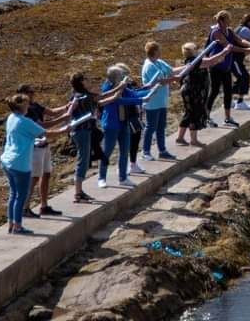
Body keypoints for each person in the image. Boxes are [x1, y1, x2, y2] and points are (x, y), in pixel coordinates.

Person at [0, 93, 69, 235]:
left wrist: (35, 141)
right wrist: (64, 130)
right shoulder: (24, 121)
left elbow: (24, 137)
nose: (29, 106)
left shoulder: (11, 118)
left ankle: (11, 224)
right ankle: (18, 227)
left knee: (13, 195)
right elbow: (46, 133)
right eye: (27, 104)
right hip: (20, 163)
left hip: (7, 161)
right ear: (22, 107)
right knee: (21, 196)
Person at [67, 72, 128, 203]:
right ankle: (78, 193)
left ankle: (80, 191)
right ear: (82, 82)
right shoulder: (81, 96)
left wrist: (115, 96)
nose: (89, 80)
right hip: (81, 131)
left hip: (85, 131)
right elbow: (101, 97)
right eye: (86, 78)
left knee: (84, 159)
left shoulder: (82, 95)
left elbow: (100, 101)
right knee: (82, 161)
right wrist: (119, 88)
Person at [17, 84, 73, 219]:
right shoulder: (25, 111)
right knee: (34, 177)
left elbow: (51, 111)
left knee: (46, 174)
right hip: (35, 147)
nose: (33, 94)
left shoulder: (35, 106)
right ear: (23, 93)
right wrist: (63, 120)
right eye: (30, 92)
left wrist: (67, 107)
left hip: (44, 145)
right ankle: (25, 207)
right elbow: (42, 126)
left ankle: (44, 206)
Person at [97, 66, 156, 189]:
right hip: (111, 125)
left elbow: (133, 93)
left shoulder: (122, 86)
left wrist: (151, 90)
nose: (123, 77)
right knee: (107, 152)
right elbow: (119, 101)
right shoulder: (107, 87)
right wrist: (141, 99)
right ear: (114, 77)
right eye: (120, 75)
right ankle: (101, 178)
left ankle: (123, 178)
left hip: (124, 123)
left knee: (124, 151)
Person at [205, 10, 250, 127]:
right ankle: (206, 116)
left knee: (228, 92)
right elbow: (229, 47)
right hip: (215, 65)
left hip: (226, 66)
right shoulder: (216, 32)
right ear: (221, 21)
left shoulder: (229, 30)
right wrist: (247, 50)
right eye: (228, 20)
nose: (230, 22)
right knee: (214, 91)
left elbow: (240, 40)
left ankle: (228, 117)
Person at [175, 41, 231, 146]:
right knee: (195, 113)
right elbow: (210, 61)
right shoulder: (195, 61)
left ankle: (180, 137)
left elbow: (213, 62)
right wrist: (224, 51)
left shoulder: (196, 60)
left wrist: (223, 55)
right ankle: (194, 140)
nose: (199, 50)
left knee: (189, 113)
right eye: (196, 48)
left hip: (191, 90)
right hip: (193, 91)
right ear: (193, 51)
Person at [140, 41, 186, 161]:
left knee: (161, 126)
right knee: (150, 127)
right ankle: (146, 151)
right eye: (159, 49)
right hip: (152, 102)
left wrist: (188, 66)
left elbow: (171, 71)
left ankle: (162, 151)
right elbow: (159, 81)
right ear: (154, 51)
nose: (161, 51)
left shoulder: (159, 62)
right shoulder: (149, 65)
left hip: (162, 101)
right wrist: (173, 79)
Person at [232, 14, 250, 111]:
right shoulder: (245, 30)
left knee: (239, 79)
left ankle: (230, 101)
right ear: (249, 22)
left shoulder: (240, 28)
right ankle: (240, 102)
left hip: (235, 59)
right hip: (234, 59)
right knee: (244, 77)